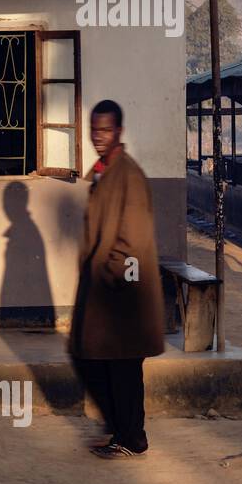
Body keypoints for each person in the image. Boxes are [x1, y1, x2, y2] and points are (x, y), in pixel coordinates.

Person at [69, 99, 164, 459]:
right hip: (106, 291)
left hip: (123, 294)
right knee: (95, 359)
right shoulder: (104, 171)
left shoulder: (129, 176)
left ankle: (131, 438)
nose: (98, 137)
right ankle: (121, 430)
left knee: (119, 366)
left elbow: (132, 241)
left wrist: (110, 276)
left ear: (119, 132)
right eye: (94, 130)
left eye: (105, 130)